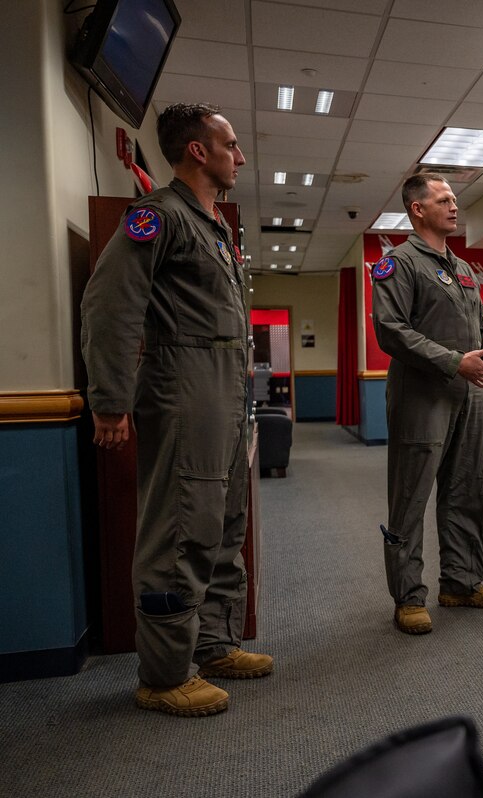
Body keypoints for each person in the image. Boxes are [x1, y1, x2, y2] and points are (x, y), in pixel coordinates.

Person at [81, 103, 272, 718]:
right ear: (198, 150)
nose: (239, 156)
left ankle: (214, 644)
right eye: (231, 145)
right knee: (181, 526)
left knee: (224, 520)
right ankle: (164, 675)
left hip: (225, 389)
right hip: (184, 384)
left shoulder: (214, 226)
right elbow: (110, 308)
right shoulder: (157, 217)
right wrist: (110, 400)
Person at [371, 173, 483, 635]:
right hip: (422, 396)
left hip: (470, 396)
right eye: (444, 199)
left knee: (469, 492)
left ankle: (462, 582)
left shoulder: (464, 270)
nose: (455, 206)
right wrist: (455, 363)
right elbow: (391, 331)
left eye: (454, 199)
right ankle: (408, 597)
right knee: (410, 499)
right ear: (418, 209)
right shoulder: (399, 263)